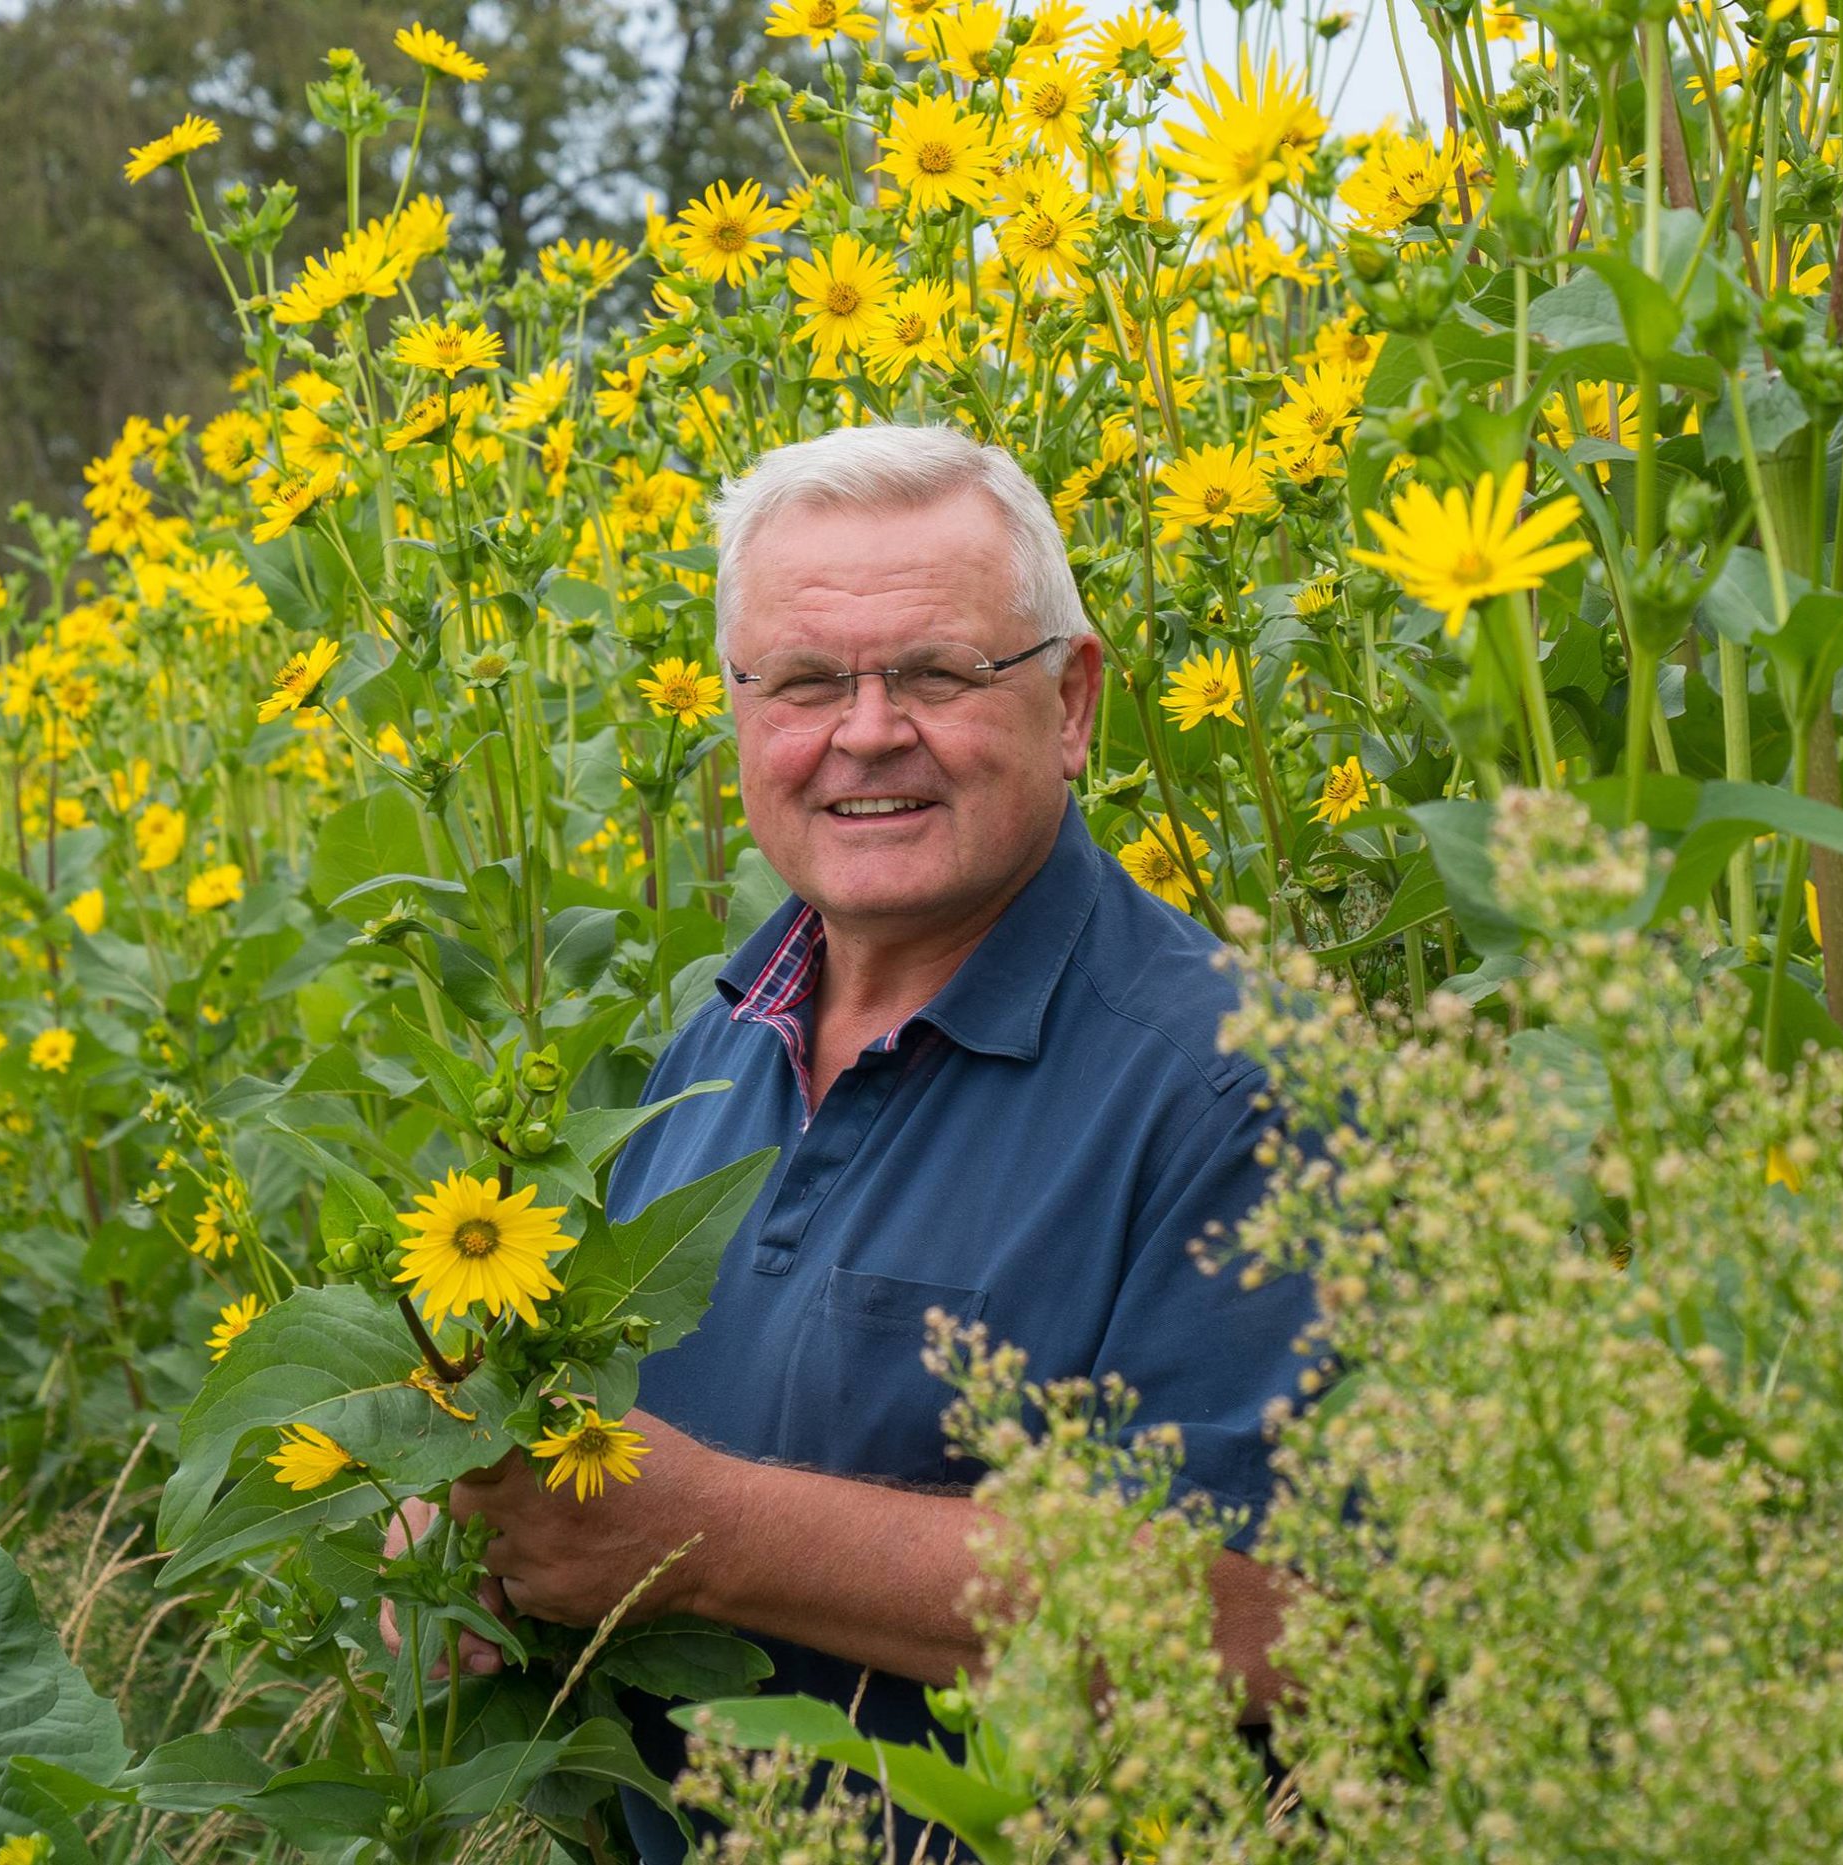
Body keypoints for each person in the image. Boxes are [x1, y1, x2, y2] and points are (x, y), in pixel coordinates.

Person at [383, 423, 1316, 1860]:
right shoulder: (705, 1062)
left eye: (938, 672)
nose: (868, 730)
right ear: (741, 720)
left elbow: (1269, 1615)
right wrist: (474, 1549)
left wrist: (707, 1539)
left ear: (1072, 702)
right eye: (807, 681)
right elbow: (593, 1465)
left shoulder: (1232, 1084)